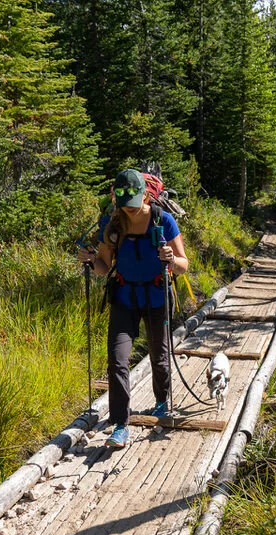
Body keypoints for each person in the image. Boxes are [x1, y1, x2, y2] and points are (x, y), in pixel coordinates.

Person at [78, 169, 189, 448]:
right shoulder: (112, 224)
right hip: (124, 296)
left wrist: (171, 260)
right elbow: (104, 268)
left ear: (146, 195)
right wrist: (92, 260)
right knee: (117, 358)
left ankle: (162, 401)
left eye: (134, 200)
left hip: (156, 295)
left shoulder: (163, 221)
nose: (129, 207)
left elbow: (184, 265)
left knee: (159, 353)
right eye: (124, 202)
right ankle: (120, 424)